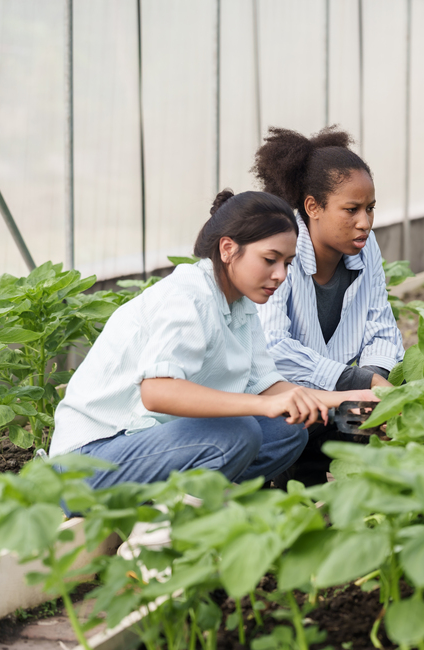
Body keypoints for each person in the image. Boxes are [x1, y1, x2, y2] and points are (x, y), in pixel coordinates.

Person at [49, 190, 377, 489]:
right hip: (88, 461)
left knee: (287, 431)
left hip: (151, 445)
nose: (280, 275)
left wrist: (353, 398)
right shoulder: (188, 296)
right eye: (270, 259)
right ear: (228, 248)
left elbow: (269, 386)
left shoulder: (241, 305)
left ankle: (187, 503)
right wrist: (265, 405)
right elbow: (157, 392)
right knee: (237, 432)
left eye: (287, 263)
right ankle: (163, 520)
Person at [252, 127, 404, 485]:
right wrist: (356, 382)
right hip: (280, 404)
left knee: (383, 397)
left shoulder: (366, 247)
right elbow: (271, 347)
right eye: (351, 210)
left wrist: (371, 382)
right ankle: (289, 484)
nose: (364, 223)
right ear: (312, 207)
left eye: (370, 209)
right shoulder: (279, 252)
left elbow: (382, 327)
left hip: (331, 400)